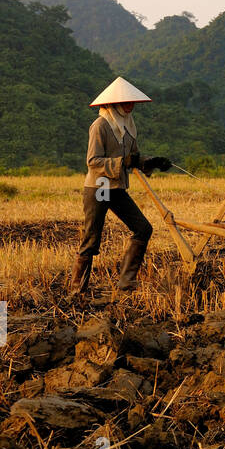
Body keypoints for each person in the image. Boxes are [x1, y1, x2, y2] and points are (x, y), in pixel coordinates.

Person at [71, 77, 172, 297]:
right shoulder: (100, 126)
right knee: (91, 239)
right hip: (98, 187)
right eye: (125, 102)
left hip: (116, 188)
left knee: (143, 228)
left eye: (131, 102)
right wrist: (122, 163)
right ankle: (77, 291)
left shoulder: (129, 125)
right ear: (114, 103)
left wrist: (153, 161)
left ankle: (126, 282)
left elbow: (133, 158)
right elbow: (93, 161)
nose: (130, 106)